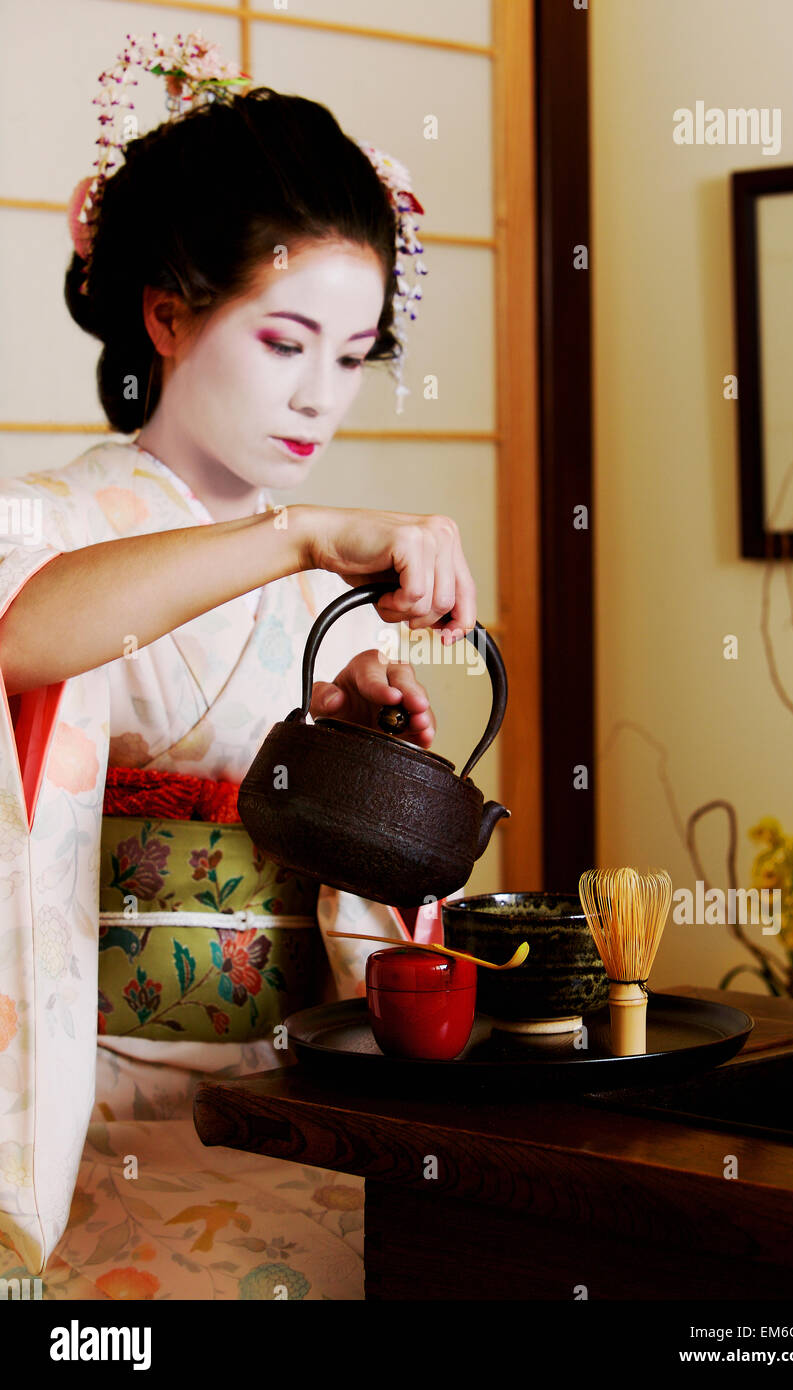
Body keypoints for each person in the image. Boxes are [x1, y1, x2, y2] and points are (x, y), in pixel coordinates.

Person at [0, 35, 477, 1285]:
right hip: (84, 1110)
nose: (322, 395)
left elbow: (362, 894)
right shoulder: (46, 525)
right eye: (284, 342)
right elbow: (27, 643)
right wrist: (302, 534)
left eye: (352, 352)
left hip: (297, 1101)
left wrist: (349, 751)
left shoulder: (332, 591)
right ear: (167, 314)